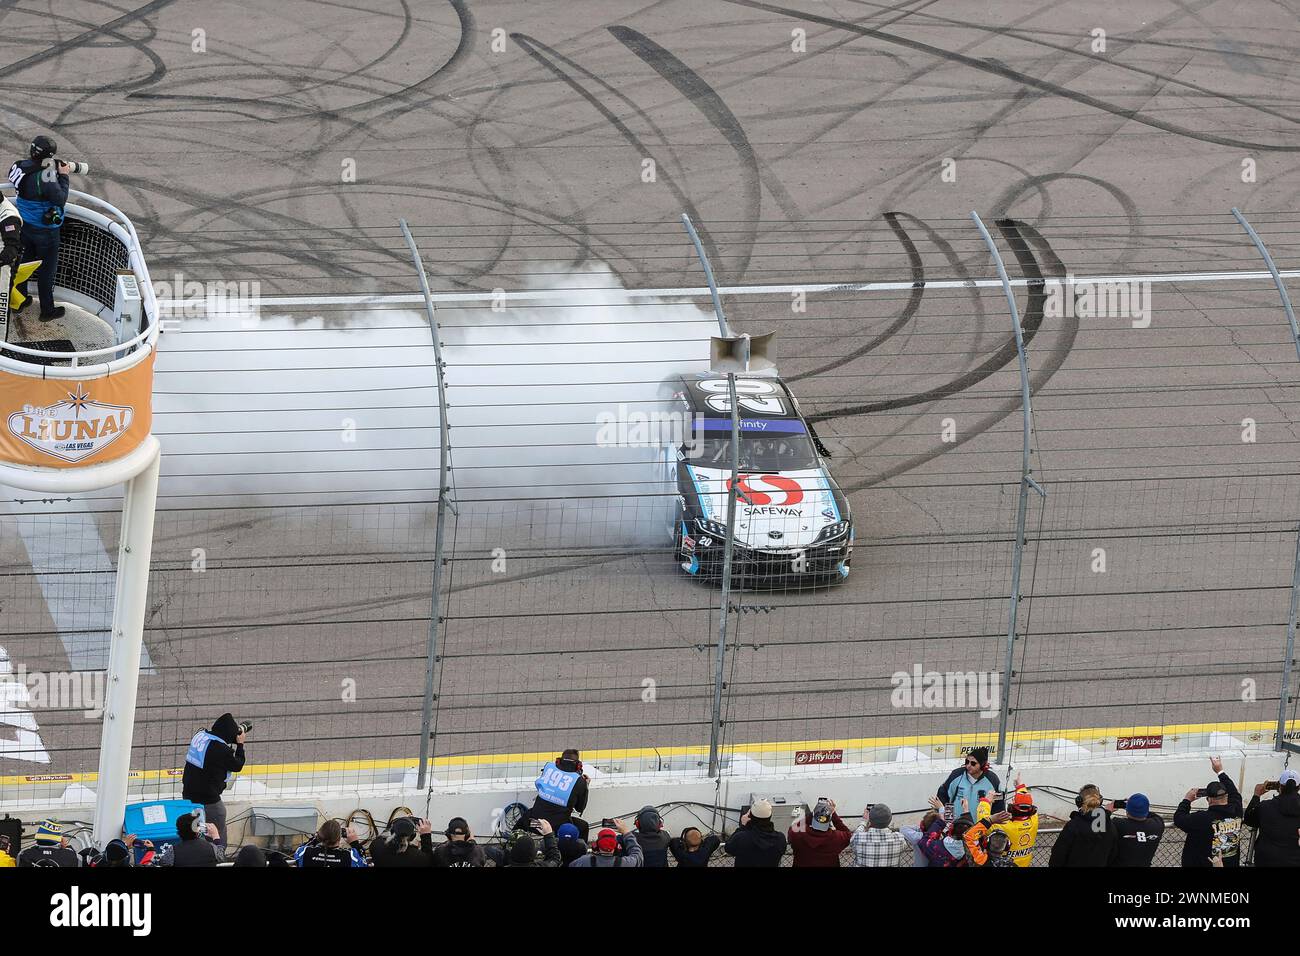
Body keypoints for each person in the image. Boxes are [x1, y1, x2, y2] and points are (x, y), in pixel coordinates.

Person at [8, 135, 70, 320]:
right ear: (49, 155)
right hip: (45, 231)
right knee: (47, 271)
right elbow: (60, 199)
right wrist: (64, 176)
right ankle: (47, 311)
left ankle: (19, 301)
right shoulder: (46, 174)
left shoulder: (18, 166)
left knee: (22, 265)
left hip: (24, 226)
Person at [181, 712, 247, 846]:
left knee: (194, 831)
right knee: (216, 831)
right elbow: (237, 765)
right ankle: (217, 857)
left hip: (189, 795)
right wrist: (240, 745)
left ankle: (195, 852)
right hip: (209, 800)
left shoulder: (200, 737)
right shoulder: (221, 750)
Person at [1174, 756, 1243, 868]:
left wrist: (1187, 800)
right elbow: (1234, 792)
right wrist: (1220, 771)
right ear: (1227, 797)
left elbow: (1178, 818)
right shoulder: (1237, 809)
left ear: (1209, 799)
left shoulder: (1202, 818)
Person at [526, 748, 590, 839]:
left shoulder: (549, 767)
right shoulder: (579, 781)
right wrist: (585, 786)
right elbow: (580, 808)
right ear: (578, 766)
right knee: (583, 827)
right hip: (557, 828)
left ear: (558, 761)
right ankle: (580, 852)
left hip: (534, 822)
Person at [1049, 784, 1119, 867]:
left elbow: (1058, 856)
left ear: (1079, 801)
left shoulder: (1073, 826)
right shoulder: (1109, 825)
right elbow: (1113, 855)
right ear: (1100, 801)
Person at [1243, 768, 1300, 867]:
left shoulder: (1266, 806)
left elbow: (1249, 819)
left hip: (1266, 859)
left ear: (1279, 786)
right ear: (1298, 787)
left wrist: (1256, 795)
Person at [936, 747, 1001, 823]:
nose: (968, 765)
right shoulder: (956, 775)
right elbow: (944, 797)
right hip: (956, 827)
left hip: (980, 828)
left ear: (982, 765)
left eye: (973, 763)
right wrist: (948, 821)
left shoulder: (993, 780)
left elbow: (999, 806)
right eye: (967, 762)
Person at [991, 779, 1039, 867]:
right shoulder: (1034, 820)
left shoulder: (1004, 827)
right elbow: (1027, 804)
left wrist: (985, 801)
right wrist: (1020, 787)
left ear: (1012, 808)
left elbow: (983, 819)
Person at [724, 799, 787, 867]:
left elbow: (728, 848)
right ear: (770, 816)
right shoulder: (780, 839)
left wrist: (743, 826)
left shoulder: (742, 838)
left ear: (750, 816)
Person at [1113, 793, 1164, 867]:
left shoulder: (1118, 824)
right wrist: (1138, 807)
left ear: (1127, 811)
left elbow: (1099, 825)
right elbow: (1155, 816)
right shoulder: (1157, 825)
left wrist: (1107, 810)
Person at [294, 820, 368, 868]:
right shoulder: (351, 855)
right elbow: (364, 864)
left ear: (319, 835)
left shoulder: (304, 852)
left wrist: (316, 839)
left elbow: (298, 852)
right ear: (339, 838)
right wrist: (355, 844)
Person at [570, 819, 642, 868]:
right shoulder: (626, 863)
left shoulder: (583, 861)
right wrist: (626, 832)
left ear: (596, 846)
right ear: (617, 847)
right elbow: (638, 855)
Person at [369, 816, 434, 867]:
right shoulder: (418, 858)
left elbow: (382, 837)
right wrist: (426, 835)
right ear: (412, 837)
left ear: (392, 832)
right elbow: (429, 860)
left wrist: (401, 822)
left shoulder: (376, 846)